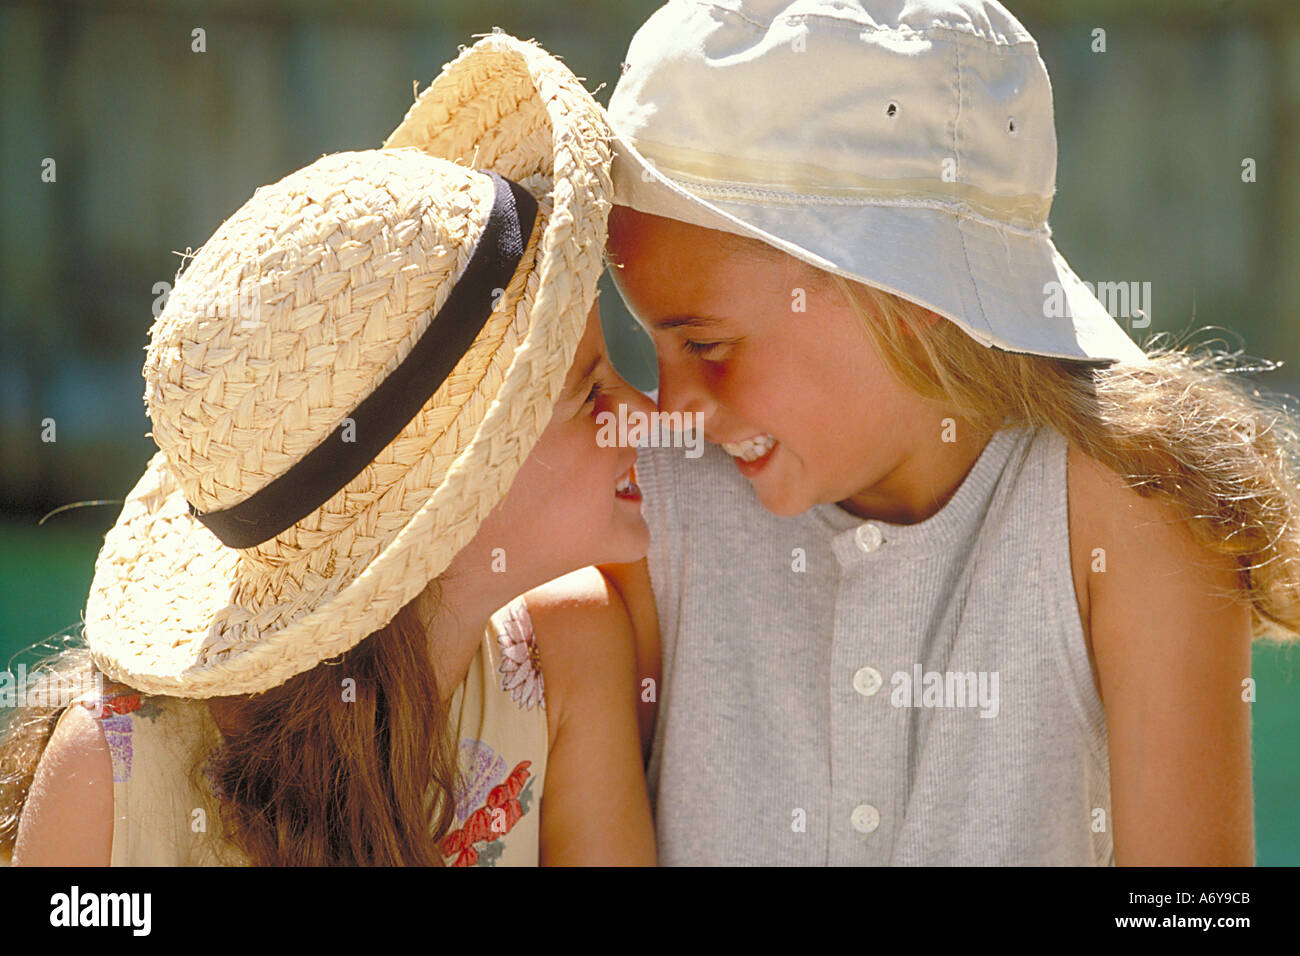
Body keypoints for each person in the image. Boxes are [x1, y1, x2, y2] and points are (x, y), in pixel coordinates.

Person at [595, 0, 1300, 865]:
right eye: (653, 343)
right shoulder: (640, 513)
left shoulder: (1129, 510)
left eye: (707, 345)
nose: (672, 408)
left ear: (913, 297)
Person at [1, 34, 657, 866]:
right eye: (592, 394)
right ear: (450, 495)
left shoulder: (573, 660)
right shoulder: (109, 776)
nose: (646, 413)